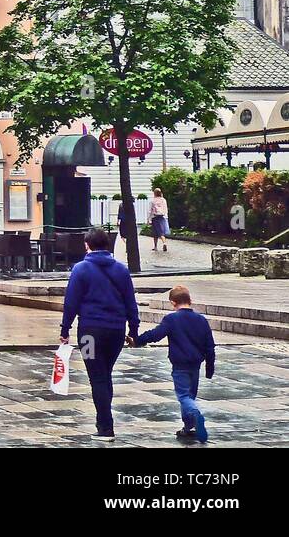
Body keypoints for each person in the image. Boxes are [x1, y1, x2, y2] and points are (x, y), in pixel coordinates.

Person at [59, 227, 139, 440]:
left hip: (89, 331)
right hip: (116, 331)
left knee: (97, 376)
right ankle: (103, 420)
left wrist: (65, 328)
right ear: (107, 245)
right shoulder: (121, 270)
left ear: (87, 245)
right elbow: (131, 302)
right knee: (105, 374)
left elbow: (71, 302)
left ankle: (105, 427)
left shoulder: (81, 269)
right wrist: (134, 329)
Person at [134, 285, 216, 443]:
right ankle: (189, 427)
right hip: (195, 365)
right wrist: (210, 367)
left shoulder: (171, 319)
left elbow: (155, 335)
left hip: (180, 364)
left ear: (173, 303)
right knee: (190, 395)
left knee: (184, 396)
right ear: (190, 301)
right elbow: (210, 346)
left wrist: (137, 340)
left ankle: (195, 414)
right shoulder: (201, 320)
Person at [149, 188, 170, 253]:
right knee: (162, 232)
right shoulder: (163, 200)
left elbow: (150, 211)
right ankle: (163, 243)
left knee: (155, 233)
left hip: (155, 217)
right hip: (162, 217)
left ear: (154, 193)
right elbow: (166, 209)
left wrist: (149, 219)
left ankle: (156, 246)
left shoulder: (152, 201)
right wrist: (166, 217)